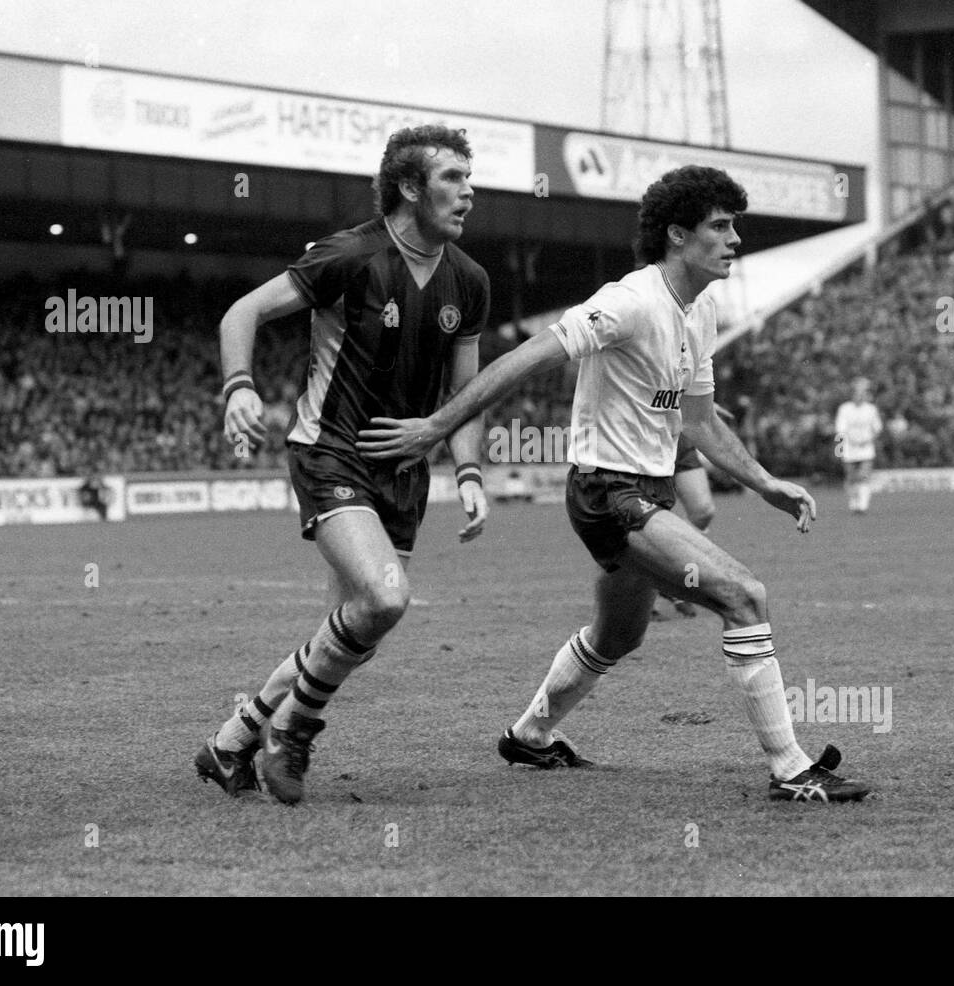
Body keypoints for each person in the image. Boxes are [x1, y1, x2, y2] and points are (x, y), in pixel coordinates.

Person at [360, 166, 871, 803]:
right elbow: (525, 358)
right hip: (609, 493)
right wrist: (438, 427)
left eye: (734, 225)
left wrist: (765, 482)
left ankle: (529, 736)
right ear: (678, 237)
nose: (735, 239)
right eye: (721, 226)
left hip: (645, 492)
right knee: (744, 595)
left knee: (619, 635)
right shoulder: (630, 300)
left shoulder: (701, 310)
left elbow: (701, 420)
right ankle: (790, 768)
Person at [195, 125, 491, 804]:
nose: (469, 193)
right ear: (410, 188)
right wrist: (239, 387)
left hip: (405, 476)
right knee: (385, 597)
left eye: (470, 178)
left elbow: (464, 396)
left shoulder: (468, 281)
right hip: (331, 455)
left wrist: (468, 473)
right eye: (452, 178)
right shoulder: (351, 256)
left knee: (355, 627)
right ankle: (295, 727)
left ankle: (231, 742)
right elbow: (243, 311)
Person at [653, 403, 733, 620]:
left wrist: (704, 402)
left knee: (703, 510)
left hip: (677, 433)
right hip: (643, 432)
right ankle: (650, 580)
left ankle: (660, 575)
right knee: (643, 515)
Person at [833, 377, 882, 514]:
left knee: (864, 475)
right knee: (851, 477)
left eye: (862, 393)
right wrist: (839, 451)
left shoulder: (871, 409)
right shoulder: (844, 409)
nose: (859, 396)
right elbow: (840, 431)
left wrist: (868, 439)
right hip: (849, 448)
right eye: (857, 393)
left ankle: (863, 505)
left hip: (866, 448)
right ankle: (853, 502)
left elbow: (877, 429)